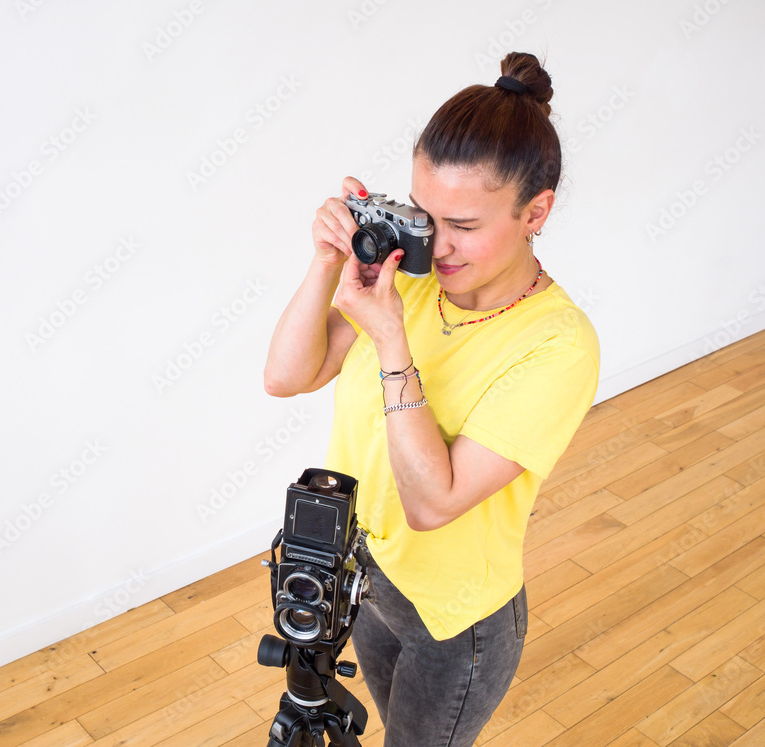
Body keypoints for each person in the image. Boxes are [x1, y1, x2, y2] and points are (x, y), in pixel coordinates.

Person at [263, 51, 600, 746]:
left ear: (537, 211)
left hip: (458, 622)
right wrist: (327, 261)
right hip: (369, 578)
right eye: (423, 214)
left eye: (465, 225)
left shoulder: (558, 346)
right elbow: (286, 375)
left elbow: (432, 503)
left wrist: (391, 344)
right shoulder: (409, 279)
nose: (437, 244)